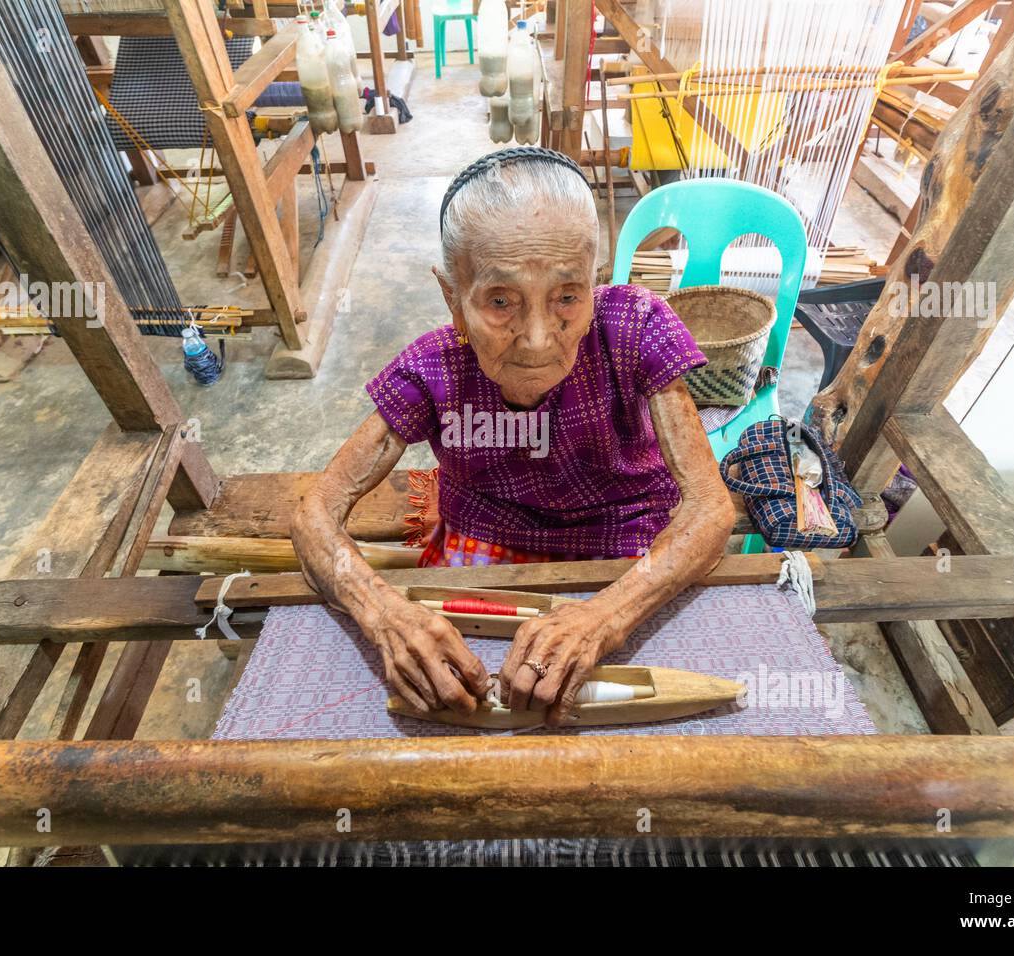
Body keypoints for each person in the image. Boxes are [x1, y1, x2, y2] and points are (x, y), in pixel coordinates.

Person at [293, 147, 735, 725]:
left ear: (594, 282)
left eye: (567, 298)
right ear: (453, 299)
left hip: (627, 539)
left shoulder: (634, 329)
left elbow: (710, 509)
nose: (536, 339)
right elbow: (312, 515)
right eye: (500, 301)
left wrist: (603, 618)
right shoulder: (434, 369)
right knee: (452, 702)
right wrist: (383, 614)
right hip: (487, 543)